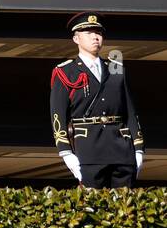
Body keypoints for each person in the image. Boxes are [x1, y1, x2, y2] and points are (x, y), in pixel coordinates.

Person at [49, 13, 144, 189]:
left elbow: (130, 112)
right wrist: (66, 152)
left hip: (122, 151)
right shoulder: (66, 71)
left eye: (98, 33)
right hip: (88, 150)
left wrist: (138, 149)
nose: (95, 37)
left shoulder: (116, 69)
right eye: (89, 33)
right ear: (76, 38)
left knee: (124, 209)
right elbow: (58, 115)